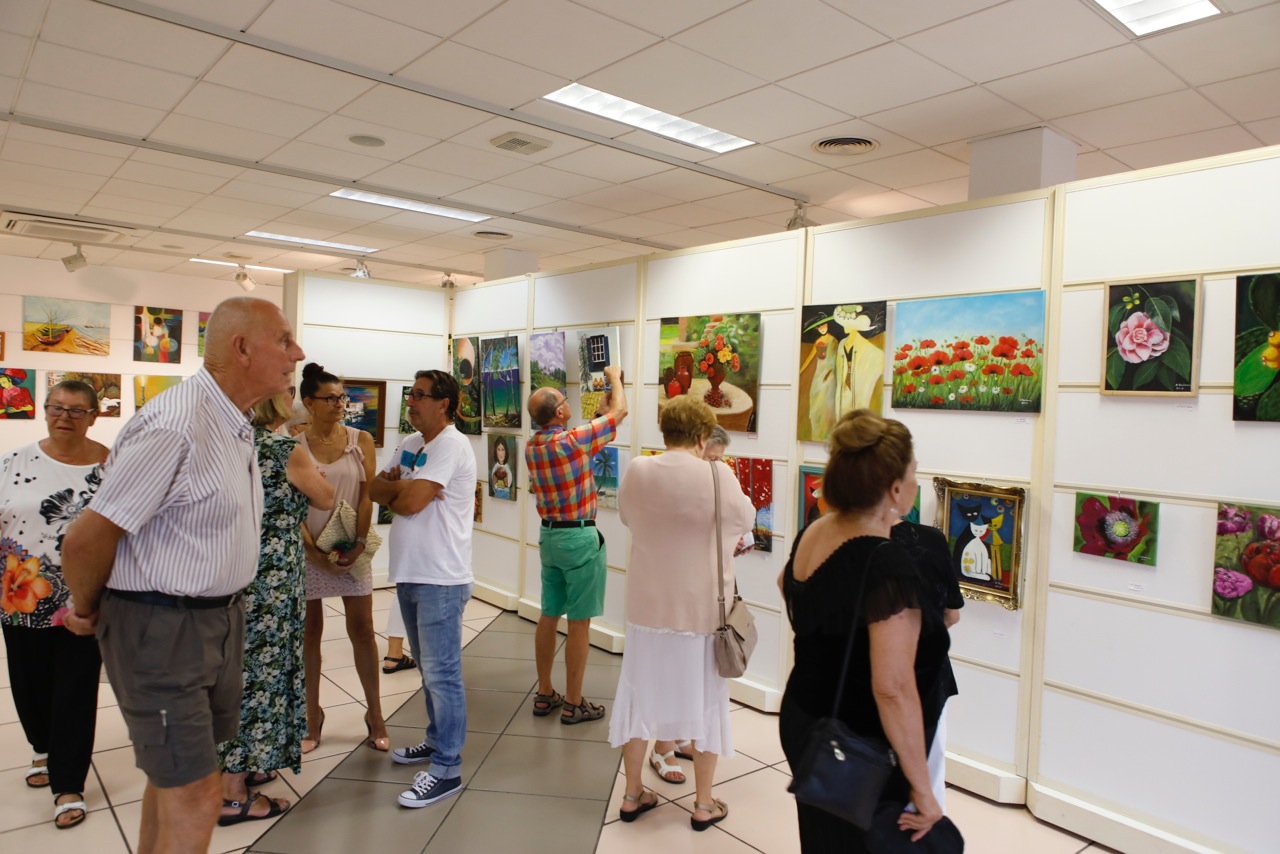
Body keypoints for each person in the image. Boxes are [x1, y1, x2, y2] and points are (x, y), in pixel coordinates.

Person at [61, 297, 304, 854]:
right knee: (198, 792)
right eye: (284, 339)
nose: (298, 352)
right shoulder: (176, 424)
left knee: (176, 778)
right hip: (162, 624)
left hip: (218, 620)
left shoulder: (234, 422)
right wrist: (87, 609)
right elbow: (86, 539)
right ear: (242, 348)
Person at [778, 409, 949, 852]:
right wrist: (923, 790)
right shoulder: (885, 561)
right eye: (914, 473)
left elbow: (788, 585)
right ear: (895, 488)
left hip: (808, 719)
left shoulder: (815, 531)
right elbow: (892, 687)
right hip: (861, 745)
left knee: (825, 836)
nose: (916, 481)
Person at [610, 395, 755, 829]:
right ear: (702, 434)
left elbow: (627, 518)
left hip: (646, 608)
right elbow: (745, 519)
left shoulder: (638, 469)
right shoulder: (718, 475)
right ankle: (704, 803)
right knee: (706, 702)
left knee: (638, 699)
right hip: (701, 612)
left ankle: (633, 792)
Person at [215, 392, 334, 826]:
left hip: (235, 569)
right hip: (274, 577)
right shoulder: (285, 450)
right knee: (263, 675)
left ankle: (240, 765)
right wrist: (314, 472)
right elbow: (325, 498)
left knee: (238, 671)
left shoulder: (229, 443)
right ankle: (232, 793)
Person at [0, 379, 109, 829]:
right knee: (29, 684)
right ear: (44, 410)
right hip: (19, 593)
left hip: (85, 598)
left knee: (76, 689)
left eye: (76, 410)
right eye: (56, 408)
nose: (64, 416)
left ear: (93, 416)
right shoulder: (13, 462)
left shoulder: (111, 465)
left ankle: (69, 782)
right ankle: (43, 747)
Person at [370, 370, 477, 808]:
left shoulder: (451, 445)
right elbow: (374, 488)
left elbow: (409, 502)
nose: (411, 402)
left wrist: (401, 490)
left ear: (444, 404)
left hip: (442, 577)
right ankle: (436, 742)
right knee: (430, 674)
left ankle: (447, 767)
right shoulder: (412, 444)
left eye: (420, 396)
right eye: (410, 394)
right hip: (412, 572)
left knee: (442, 673)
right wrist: (401, 488)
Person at [524, 364, 627, 724]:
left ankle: (544, 693)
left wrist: (601, 410)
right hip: (580, 538)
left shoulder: (533, 446)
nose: (569, 404)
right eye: (566, 401)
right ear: (560, 412)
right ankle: (573, 701)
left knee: (549, 614)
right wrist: (615, 377)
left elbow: (598, 426)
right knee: (579, 622)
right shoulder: (572, 440)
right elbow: (621, 413)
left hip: (549, 536)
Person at [296, 363, 390, 754]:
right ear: (309, 403)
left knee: (363, 630)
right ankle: (311, 715)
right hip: (308, 548)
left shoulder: (360, 439)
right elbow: (292, 505)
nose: (339, 404)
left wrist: (356, 542)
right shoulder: (293, 443)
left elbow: (368, 493)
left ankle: (375, 714)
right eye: (330, 398)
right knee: (309, 634)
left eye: (342, 397)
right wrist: (314, 553)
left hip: (352, 544)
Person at [890, 518, 962, 811]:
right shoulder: (930, 540)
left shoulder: (823, 535)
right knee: (926, 780)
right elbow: (951, 616)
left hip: (850, 691)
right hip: (926, 680)